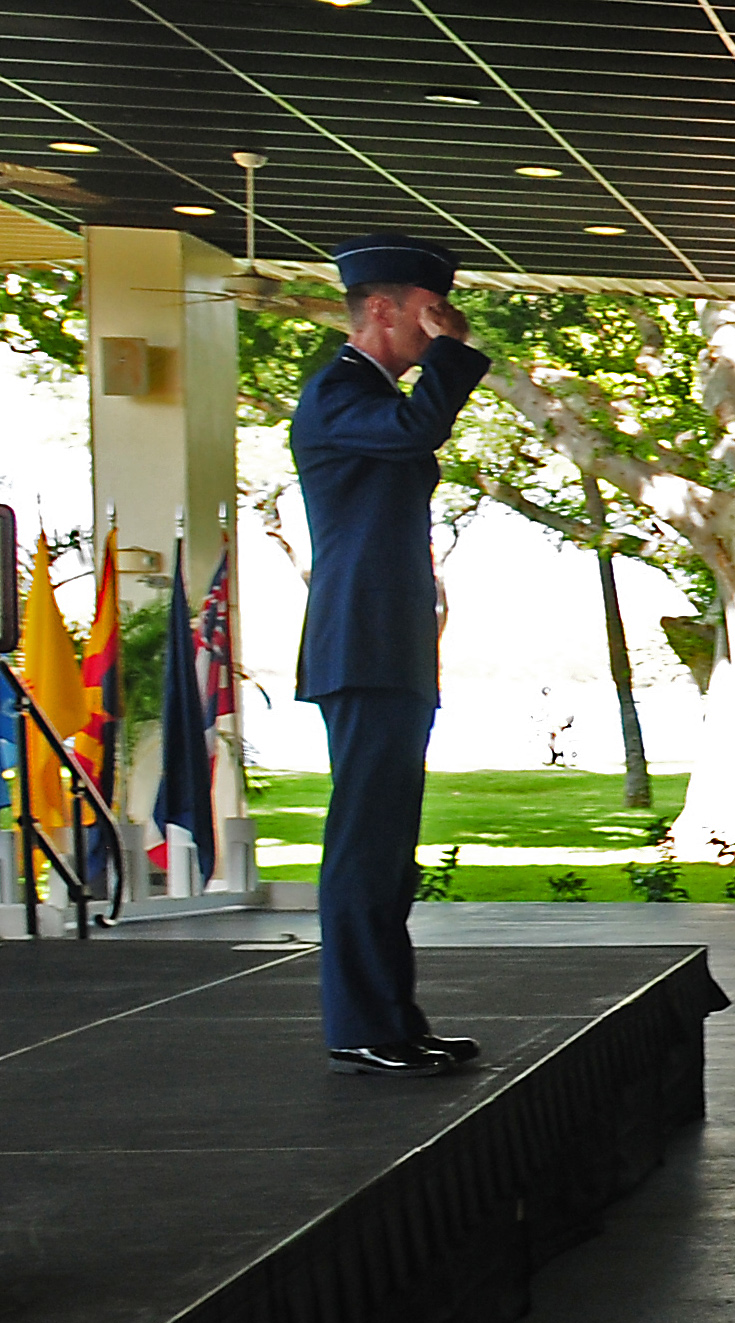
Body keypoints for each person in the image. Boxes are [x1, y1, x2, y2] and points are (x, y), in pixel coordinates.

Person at [292, 233, 490, 1076]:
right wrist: (454, 355)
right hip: (363, 647)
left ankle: (390, 1019)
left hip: (389, 646)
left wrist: (446, 350)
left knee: (386, 849)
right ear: (382, 310)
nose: (443, 327)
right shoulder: (340, 393)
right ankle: (364, 1023)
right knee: (366, 846)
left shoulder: (366, 398)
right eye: (429, 312)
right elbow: (417, 428)